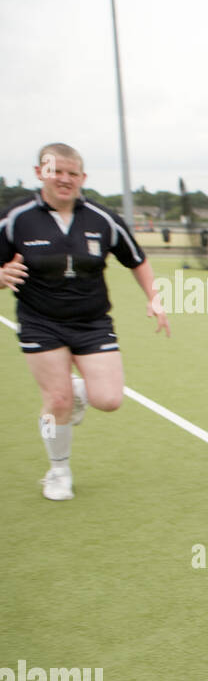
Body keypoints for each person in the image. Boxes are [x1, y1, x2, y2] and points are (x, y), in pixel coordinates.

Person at [0, 142, 169, 501]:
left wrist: (154, 299)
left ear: (83, 178)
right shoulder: (16, 218)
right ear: (39, 173)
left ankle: (79, 390)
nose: (64, 179)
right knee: (55, 400)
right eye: (55, 171)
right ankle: (57, 470)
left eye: (71, 173)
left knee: (108, 399)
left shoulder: (102, 219)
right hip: (40, 320)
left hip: (92, 321)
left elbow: (137, 260)